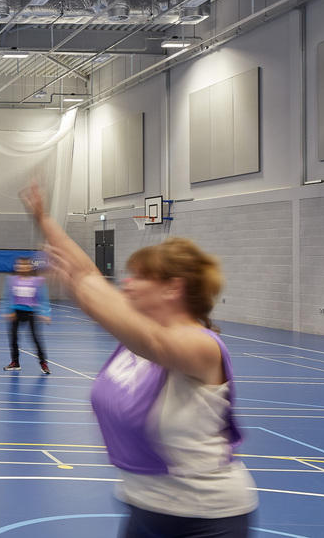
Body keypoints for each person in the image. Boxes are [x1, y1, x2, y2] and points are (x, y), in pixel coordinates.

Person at [23, 185, 257, 538]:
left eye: (139, 277)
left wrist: (84, 293)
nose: (126, 284)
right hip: (143, 507)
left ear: (172, 288)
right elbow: (88, 276)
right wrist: (45, 221)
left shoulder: (200, 345)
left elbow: (153, 342)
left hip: (207, 518)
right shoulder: (135, 339)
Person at [2, 256, 52, 374]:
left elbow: (43, 298)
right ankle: (15, 362)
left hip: (30, 313)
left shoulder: (36, 281)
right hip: (16, 313)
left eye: (25, 265)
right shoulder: (12, 280)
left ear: (29, 267)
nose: (23, 267)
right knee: (13, 338)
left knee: (36, 338)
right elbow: (8, 297)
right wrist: (8, 311)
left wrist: (46, 313)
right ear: (17, 267)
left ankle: (43, 363)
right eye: (20, 264)